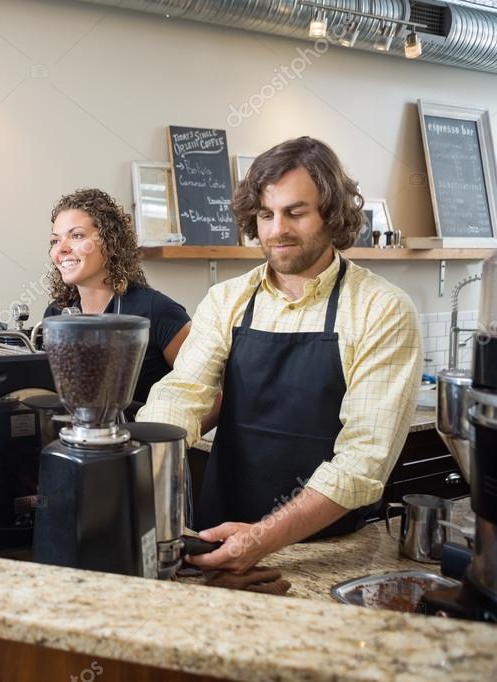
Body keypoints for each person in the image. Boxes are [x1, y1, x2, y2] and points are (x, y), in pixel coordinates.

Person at [137, 137, 422, 572]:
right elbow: (182, 393)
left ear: (331, 212)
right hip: (218, 537)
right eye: (265, 215)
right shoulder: (226, 300)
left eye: (295, 212)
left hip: (329, 552)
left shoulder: (381, 309)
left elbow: (363, 460)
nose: (276, 230)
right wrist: (144, 466)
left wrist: (262, 537)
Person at [45, 188, 218, 431]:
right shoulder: (56, 314)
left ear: (110, 241)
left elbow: (214, 394)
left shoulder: (156, 310)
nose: (61, 249)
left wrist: (166, 444)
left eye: (76, 236)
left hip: (140, 458)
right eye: (55, 240)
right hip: (80, 450)